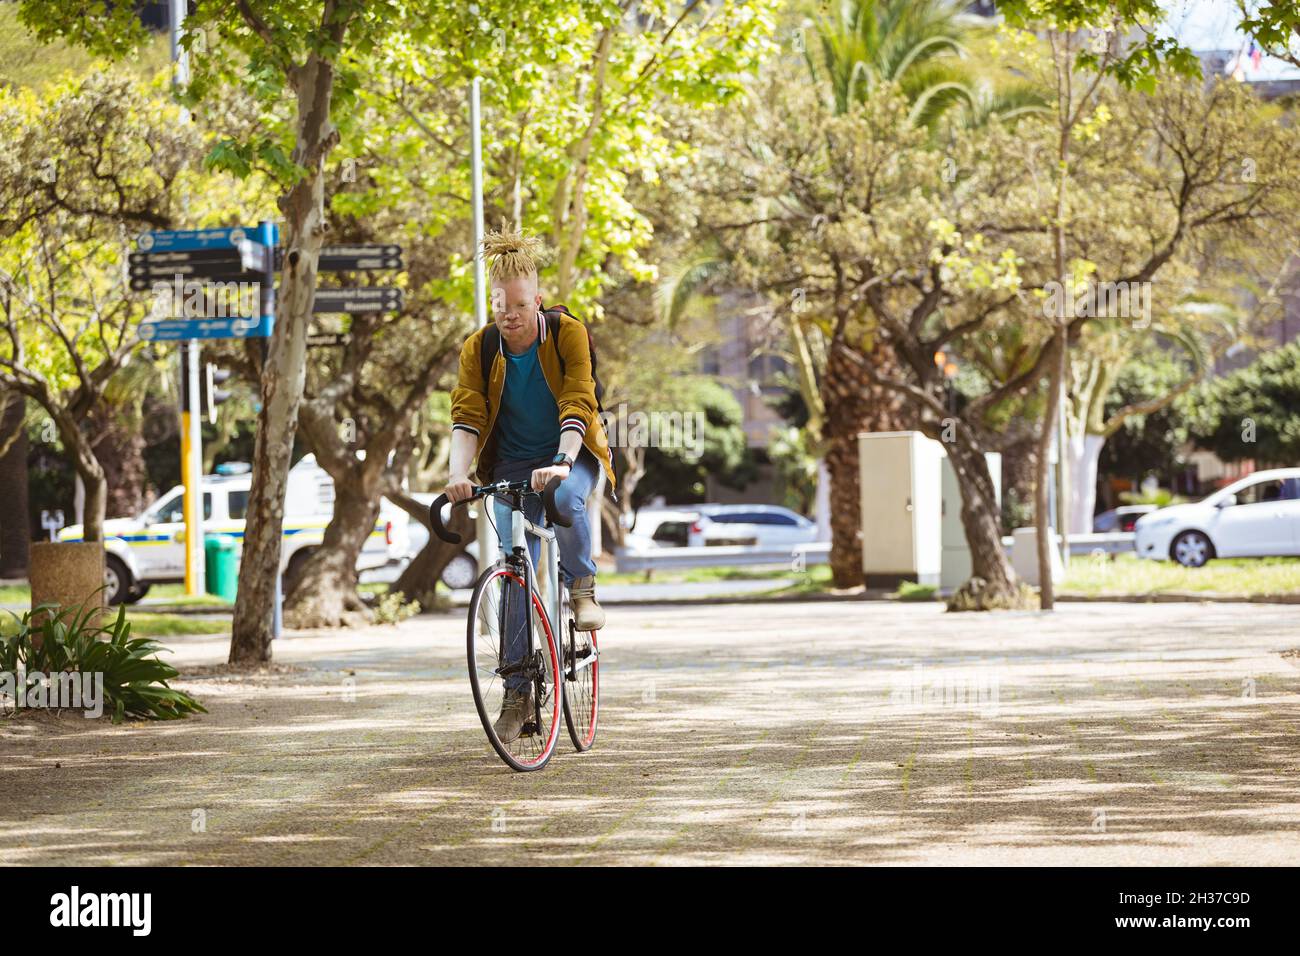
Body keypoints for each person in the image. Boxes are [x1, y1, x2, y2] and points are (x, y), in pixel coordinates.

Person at [445, 224, 617, 740]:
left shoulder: (567, 334)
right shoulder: (480, 349)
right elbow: (467, 416)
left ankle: (582, 587)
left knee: (564, 496)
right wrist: (457, 475)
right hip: (512, 467)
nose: (509, 313)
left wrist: (563, 461)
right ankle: (519, 690)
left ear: (537, 300)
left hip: (571, 452)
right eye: (500, 304)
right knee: (515, 568)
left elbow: (579, 400)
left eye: (518, 304)